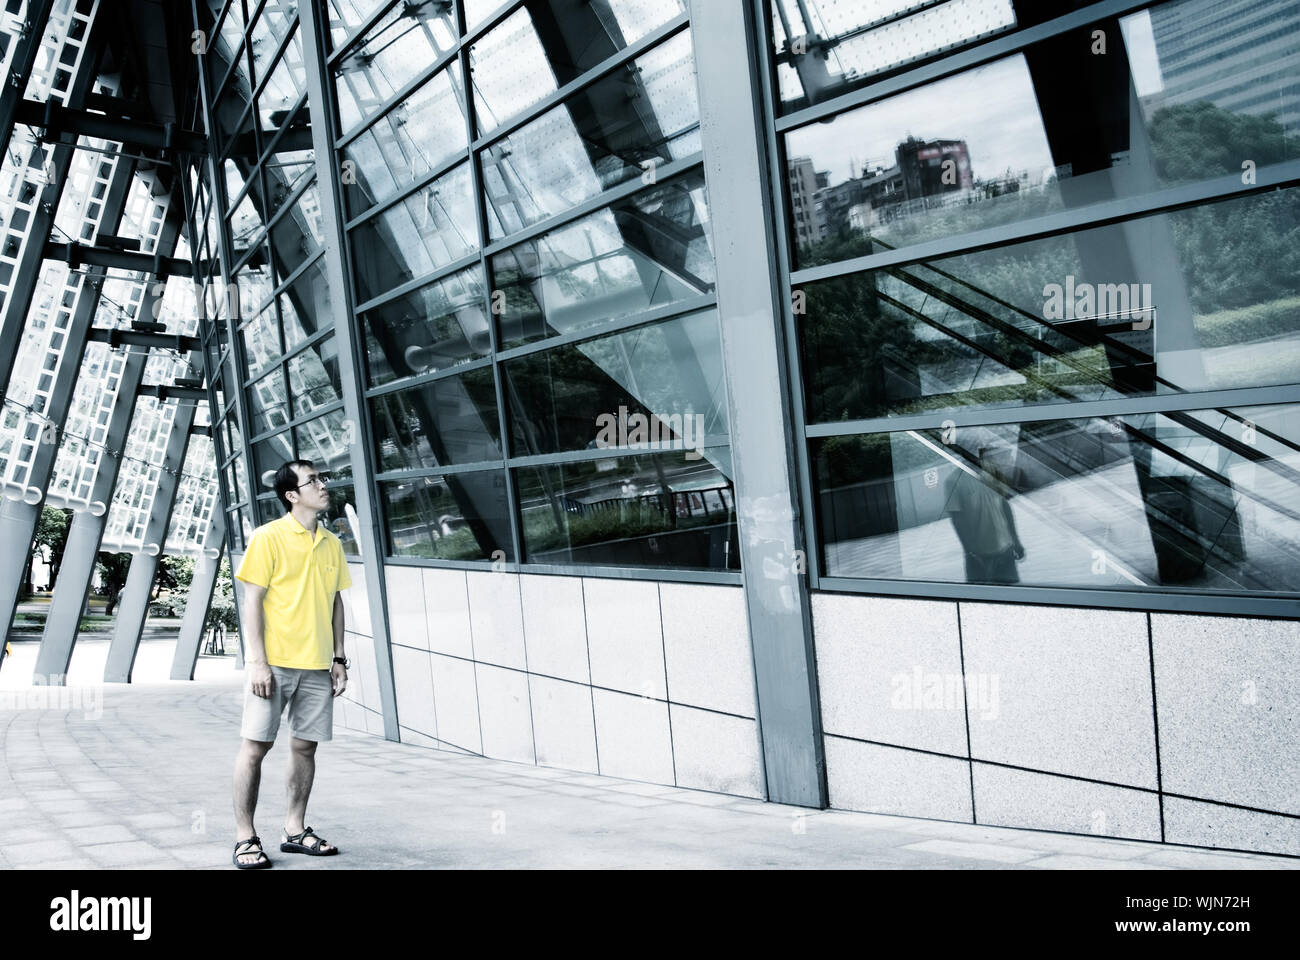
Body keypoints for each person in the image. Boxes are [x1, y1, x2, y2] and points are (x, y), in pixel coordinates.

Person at [230, 460, 352, 869]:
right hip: (275, 664)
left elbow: (336, 602)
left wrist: (338, 657)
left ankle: (294, 830)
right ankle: (245, 838)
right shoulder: (267, 538)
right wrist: (257, 662)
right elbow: (252, 601)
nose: (323, 485)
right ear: (292, 495)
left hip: (318, 665)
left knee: (305, 748)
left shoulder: (331, 543)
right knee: (255, 748)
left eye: (321, 478)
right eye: (313, 481)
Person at [944, 445, 1026, 584]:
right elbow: (957, 521)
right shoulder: (953, 481)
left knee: (1011, 598)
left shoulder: (993, 472)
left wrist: (1015, 540)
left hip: (1005, 551)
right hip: (979, 557)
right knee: (980, 602)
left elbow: (1004, 506)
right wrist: (970, 551)